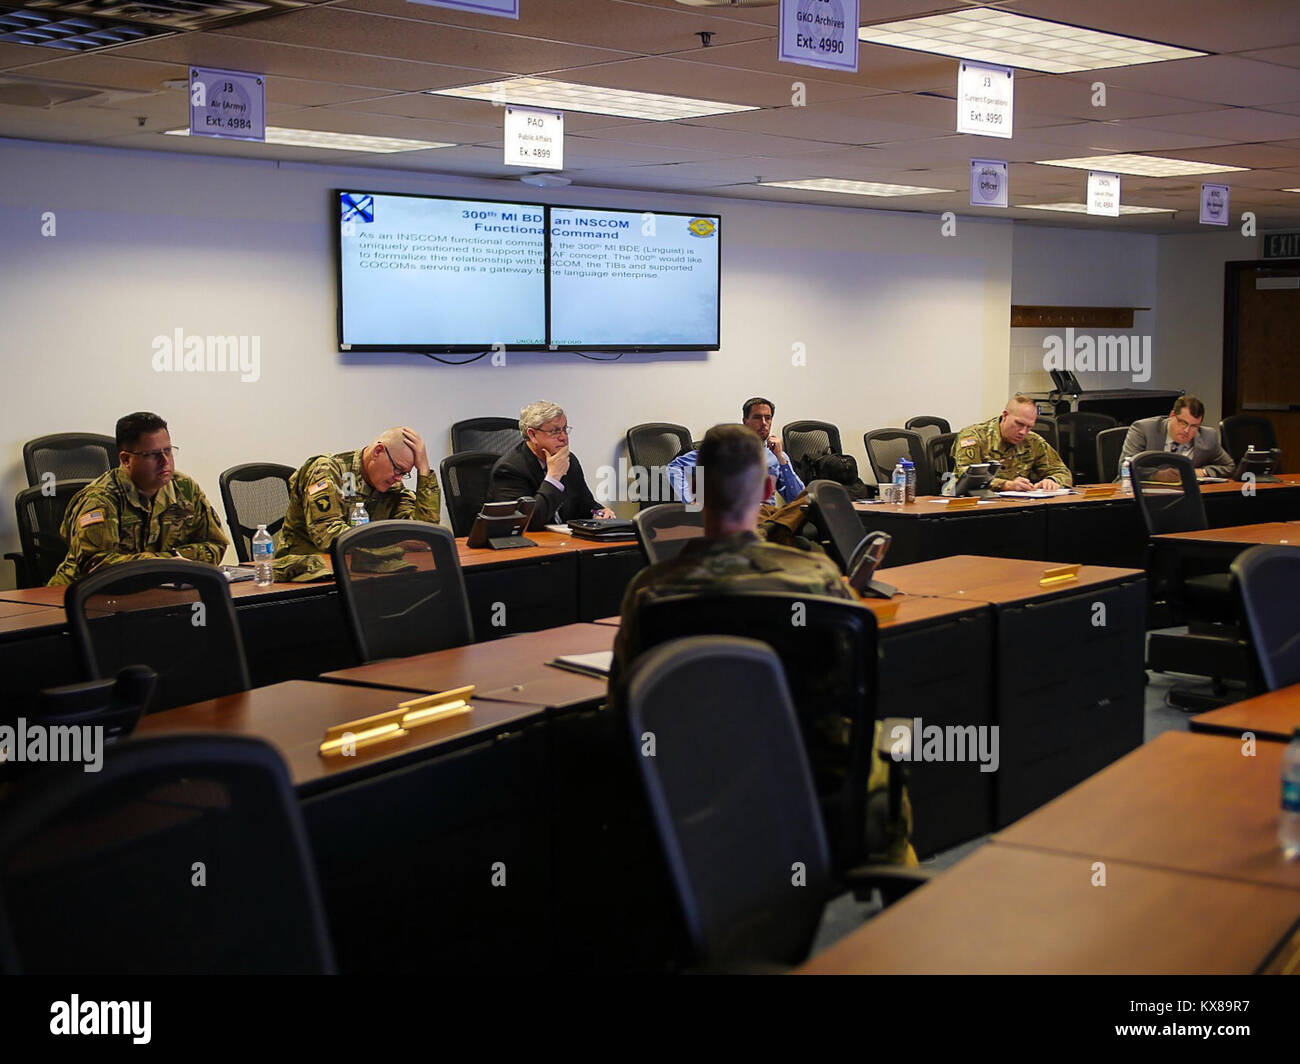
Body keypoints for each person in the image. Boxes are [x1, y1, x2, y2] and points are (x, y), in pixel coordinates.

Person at [615, 423, 913, 866]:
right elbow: (864, 678)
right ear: (771, 488)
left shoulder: (652, 591)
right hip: (815, 775)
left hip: (697, 784)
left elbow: (626, 703)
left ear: (694, 488)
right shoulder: (816, 577)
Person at [49, 411, 229, 585]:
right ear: (126, 459)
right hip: (79, 599)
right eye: (153, 455)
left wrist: (167, 562)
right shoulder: (100, 500)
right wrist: (170, 563)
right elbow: (96, 565)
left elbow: (215, 545)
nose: (165, 461)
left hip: (158, 592)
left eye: (168, 451)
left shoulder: (185, 488)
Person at [273, 426, 440, 581]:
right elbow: (328, 536)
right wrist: (389, 545)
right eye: (398, 469)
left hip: (361, 572)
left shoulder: (392, 486)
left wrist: (424, 471)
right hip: (308, 573)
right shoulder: (326, 471)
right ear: (378, 451)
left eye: (404, 473)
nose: (399, 478)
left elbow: (422, 535)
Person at [488, 401, 615, 529]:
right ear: (532, 435)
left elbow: (586, 505)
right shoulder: (509, 469)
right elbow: (524, 523)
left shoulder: (569, 460)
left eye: (565, 429)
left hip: (567, 542)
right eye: (555, 432)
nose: (564, 437)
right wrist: (554, 477)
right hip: (533, 545)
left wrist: (598, 512)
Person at [665, 397, 804, 506]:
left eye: (768, 418)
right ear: (745, 421)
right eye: (757, 417)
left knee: (802, 510)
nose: (764, 423)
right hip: (734, 515)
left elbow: (797, 499)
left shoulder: (776, 456)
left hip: (767, 516)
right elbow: (675, 467)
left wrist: (781, 458)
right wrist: (690, 501)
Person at [951, 394, 1073, 492]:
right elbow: (967, 476)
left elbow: (1062, 472)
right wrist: (1005, 485)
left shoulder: (1033, 441)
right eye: (1019, 424)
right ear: (1005, 415)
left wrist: (1052, 480)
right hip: (971, 503)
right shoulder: (973, 436)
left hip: (1016, 505)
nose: (1023, 432)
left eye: (1029, 427)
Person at [1118, 395, 1235, 479]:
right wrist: (1157, 475)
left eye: (1194, 426)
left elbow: (1229, 466)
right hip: (1140, 494)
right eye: (1183, 423)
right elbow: (1125, 468)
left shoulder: (1208, 436)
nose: (1187, 431)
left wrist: (1202, 472)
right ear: (1172, 415)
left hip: (1185, 497)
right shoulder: (1144, 429)